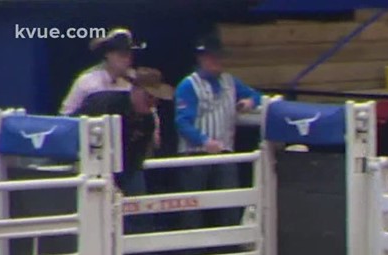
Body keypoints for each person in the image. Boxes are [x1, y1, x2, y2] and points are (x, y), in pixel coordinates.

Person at [174, 33, 263, 229]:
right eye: (211, 56)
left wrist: (249, 101)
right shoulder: (188, 85)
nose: (216, 60)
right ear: (201, 58)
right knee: (193, 208)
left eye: (218, 56)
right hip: (195, 155)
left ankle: (230, 244)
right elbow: (182, 122)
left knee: (229, 205)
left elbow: (256, 95)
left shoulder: (230, 82)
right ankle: (193, 245)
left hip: (225, 153)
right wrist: (204, 141)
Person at [74, 68, 173, 198]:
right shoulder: (105, 104)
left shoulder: (148, 121)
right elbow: (79, 134)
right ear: (136, 90)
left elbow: (137, 158)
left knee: (137, 198)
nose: (152, 103)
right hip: (92, 164)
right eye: (149, 96)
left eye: (156, 99)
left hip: (128, 168)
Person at [59, 27, 142, 116]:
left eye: (129, 55)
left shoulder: (137, 81)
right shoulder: (87, 81)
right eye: (122, 55)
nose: (127, 60)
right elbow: (66, 115)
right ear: (107, 54)